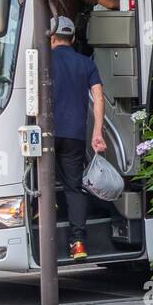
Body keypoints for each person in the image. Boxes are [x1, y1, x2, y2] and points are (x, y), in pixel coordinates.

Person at [49, 16, 107, 261]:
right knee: (74, 187)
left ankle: (42, 223)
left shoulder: (42, 60)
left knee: (42, 182)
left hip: (46, 133)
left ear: (51, 37)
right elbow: (99, 97)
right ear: (73, 38)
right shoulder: (86, 63)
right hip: (75, 134)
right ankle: (78, 243)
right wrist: (97, 132)